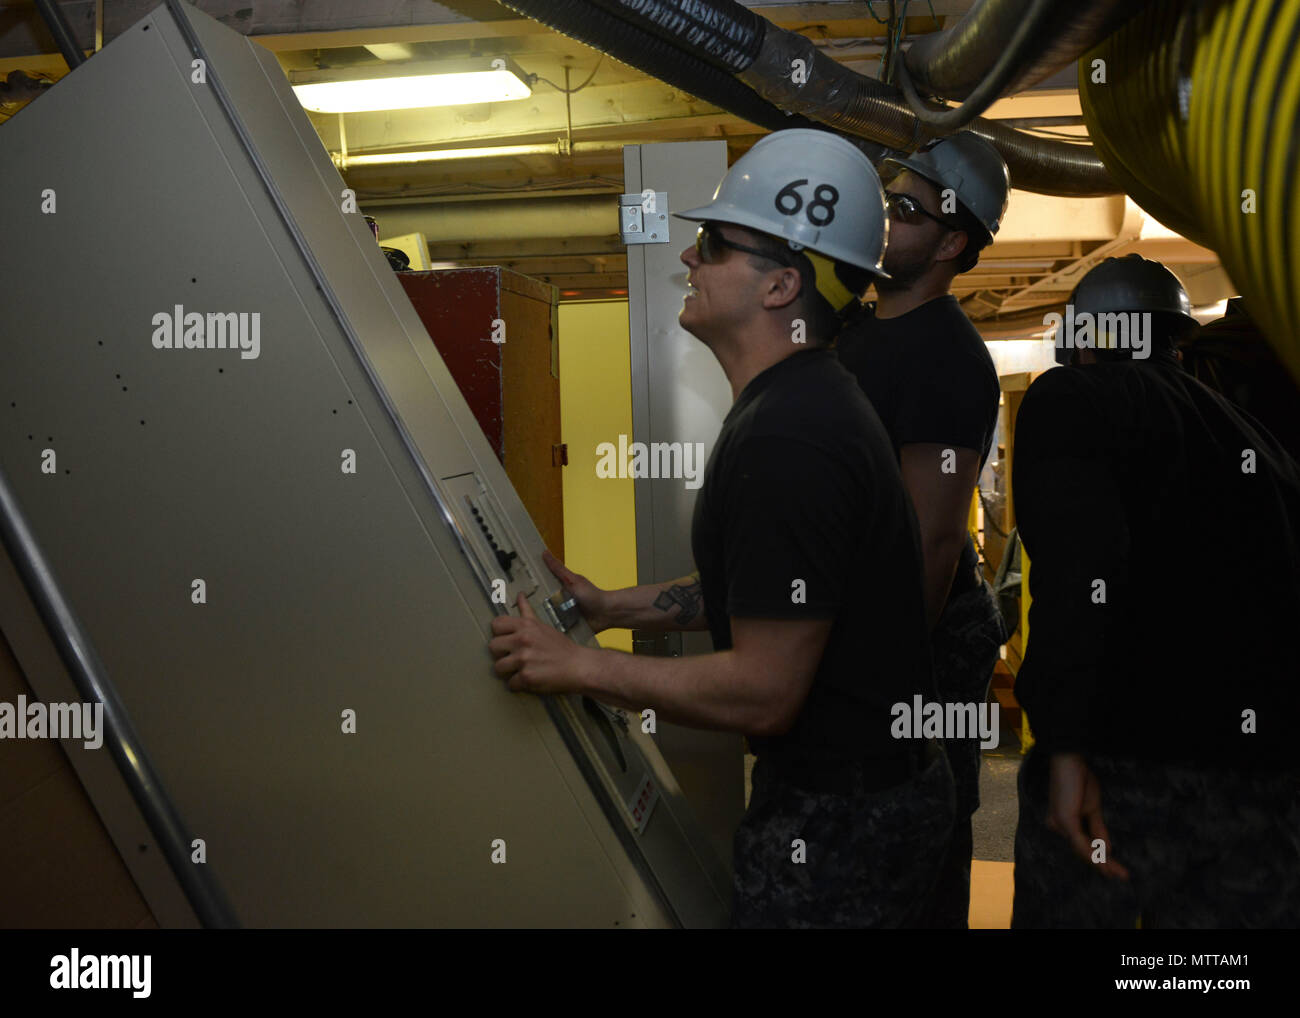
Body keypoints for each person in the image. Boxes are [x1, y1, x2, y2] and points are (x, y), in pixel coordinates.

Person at [489, 128, 954, 928]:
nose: (688, 258)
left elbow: (765, 692)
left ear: (780, 286)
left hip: (843, 822)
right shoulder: (802, 402)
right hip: (867, 796)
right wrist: (611, 607)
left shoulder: (790, 436)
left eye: (711, 244)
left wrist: (577, 667)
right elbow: (775, 596)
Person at [1011, 255, 1300, 928]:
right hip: (1257, 785)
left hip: (1122, 771)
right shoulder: (1256, 443)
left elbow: (1080, 576)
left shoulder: (1072, 399)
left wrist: (1065, 746)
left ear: (1081, 338)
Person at [835, 132, 1011, 927]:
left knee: (923, 828)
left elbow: (932, 541)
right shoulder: (855, 329)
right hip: (859, 608)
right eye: (886, 201)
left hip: (929, 640)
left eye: (906, 211)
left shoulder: (948, 357)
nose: (885, 219)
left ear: (951, 244)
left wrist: (876, 679)